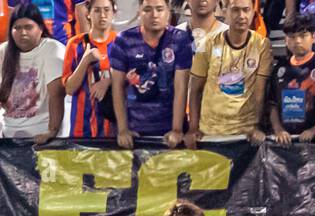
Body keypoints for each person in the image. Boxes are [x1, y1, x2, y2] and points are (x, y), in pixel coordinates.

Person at [186, 0, 272, 143]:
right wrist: (193, 128)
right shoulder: (207, 43)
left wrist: (256, 126)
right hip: (209, 132)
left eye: (246, 10)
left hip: (245, 133)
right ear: (225, 11)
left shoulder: (262, 45)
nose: (241, 15)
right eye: (235, 10)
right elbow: (195, 89)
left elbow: (260, 91)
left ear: (253, 12)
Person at [108, 0, 191, 148]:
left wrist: (177, 130)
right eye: (148, 9)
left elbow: (181, 86)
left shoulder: (180, 39)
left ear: (168, 12)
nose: (154, 15)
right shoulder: (123, 41)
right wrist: (123, 129)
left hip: (169, 131)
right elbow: (117, 87)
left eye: (159, 9)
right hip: (134, 132)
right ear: (139, 11)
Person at [267, 12, 315, 143]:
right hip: (287, 143)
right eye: (292, 36)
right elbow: (272, 104)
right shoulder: (279, 67)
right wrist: (278, 130)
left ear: (313, 37)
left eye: (303, 35)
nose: (297, 41)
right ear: (285, 40)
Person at [0, 5, 65, 143]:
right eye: (17, 28)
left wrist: (51, 131)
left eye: (28, 27)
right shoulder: (3, 52)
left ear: (40, 29)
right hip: (8, 134)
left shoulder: (53, 49)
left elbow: (57, 94)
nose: (22, 32)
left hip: (43, 134)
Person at [62, 0, 114, 137]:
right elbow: (69, 89)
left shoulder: (122, 43)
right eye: (97, 10)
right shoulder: (75, 44)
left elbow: (131, 80)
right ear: (88, 13)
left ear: (114, 12)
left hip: (112, 128)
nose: (102, 15)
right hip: (81, 128)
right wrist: (85, 61)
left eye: (107, 10)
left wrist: (108, 80)